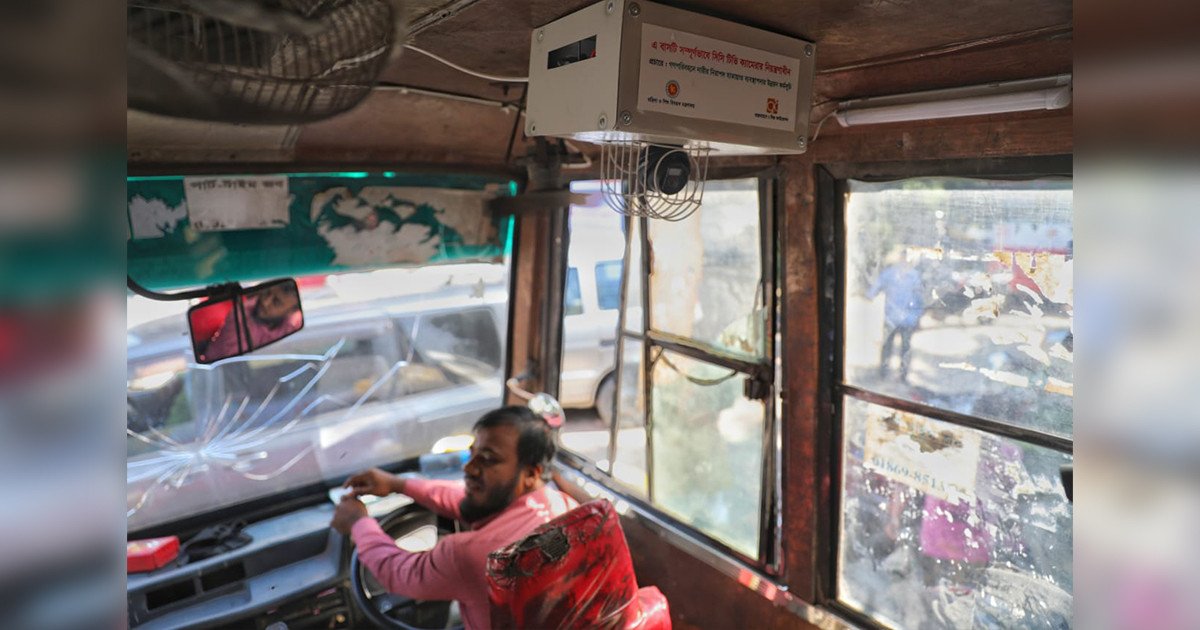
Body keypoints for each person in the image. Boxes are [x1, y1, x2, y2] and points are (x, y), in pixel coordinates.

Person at [330, 406, 578, 630]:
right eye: (472, 454)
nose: (468, 468)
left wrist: (358, 523)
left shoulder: (478, 556)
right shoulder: (564, 506)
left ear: (530, 473)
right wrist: (398, 484)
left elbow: (395, 572)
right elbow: (465, 501)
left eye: (488, 459)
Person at [202, 282, 302, 361]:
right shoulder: (240, 314)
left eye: (276, 302)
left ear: (290, 312)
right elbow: (232, 360)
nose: (265, 302)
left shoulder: (292, 326)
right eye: (267, 292)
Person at [868, 252, 925, 382]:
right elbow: (876, 286)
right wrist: (870, 295)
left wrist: (918, 316)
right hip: (891, 318)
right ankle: (883, 373)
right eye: (902, 258)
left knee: (905, 348)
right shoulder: (890, 274)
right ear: (899, 259)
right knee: (887, 346)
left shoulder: (914, 276)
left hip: (908, 319)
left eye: (906, 259)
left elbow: (919, 298)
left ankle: (903, 376)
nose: (904, 261)